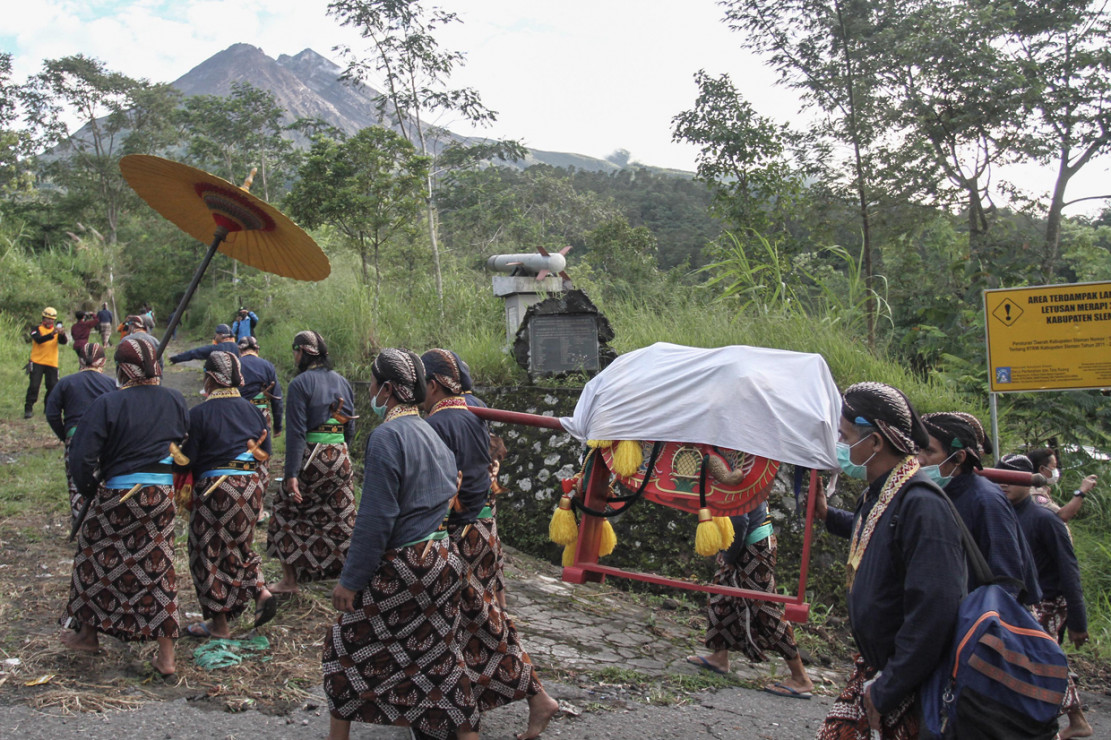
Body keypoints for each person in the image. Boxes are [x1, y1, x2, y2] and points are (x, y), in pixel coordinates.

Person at [323, 348, 479, 740]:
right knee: (441, 657)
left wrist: (351, 580)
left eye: (373, 383)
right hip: (443, 558)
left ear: (388, 389)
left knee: (345, 648)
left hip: (406, 564)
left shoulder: (386, 437)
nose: (369, 390)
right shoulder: (431, 431)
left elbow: (376, 519)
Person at [814, 382, 966, 740]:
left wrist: (888, 688)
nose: (840, 445)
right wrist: (827, 514)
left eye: (845, 436)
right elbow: (876, 533)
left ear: (875, 443)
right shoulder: (881, 494)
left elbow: (935, 610)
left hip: (906, 681)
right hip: (877, 670)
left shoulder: (923, 506)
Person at [421, 348, 559, 740]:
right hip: (483, 528)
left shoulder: (439, 422)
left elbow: (452, 486)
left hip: (461, 532)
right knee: (469, 619)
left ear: (433, 385)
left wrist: (444, 531)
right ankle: (455, 705)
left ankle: (536, 697)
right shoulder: (475, 407)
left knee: (479, 618)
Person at [60, 336, 188, 679]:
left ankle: (87, 635)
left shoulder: (107, 403)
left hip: (119, 493)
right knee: (159, 566)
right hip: (160, 495)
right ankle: (166, 657)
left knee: (93, 557)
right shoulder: (175, 400)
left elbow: (81, 457)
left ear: (122, 370)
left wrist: (90, 490)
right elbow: (182, 444)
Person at [179, 351, 277, 639]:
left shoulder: (199, 414)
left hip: (217, 489)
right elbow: (265, 452)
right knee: (239, 545)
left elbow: (188, 460)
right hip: (250, 487)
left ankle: (219, 624)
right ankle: (261, 591)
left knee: (206, 552)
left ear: (210, 378)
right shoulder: (253, 411)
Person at [998, 453, 1093, 740]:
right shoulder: (1001, 514)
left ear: (1029, 482)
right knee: (1031, 658)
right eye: (999, 477)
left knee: (1040, 656)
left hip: (1048, 601)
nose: (1004, 484)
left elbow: (1069, 571)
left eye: (1012, 478)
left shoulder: (1045, 519)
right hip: (1017, 600)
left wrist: (1078, 621)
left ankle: (1071, 720)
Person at [686, 499, 815, 699]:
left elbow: (739, 520)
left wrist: (729, 556)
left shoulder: (732, 479)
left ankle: (800, 677)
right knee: (721, 591)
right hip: (744, 536)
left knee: (765, 608)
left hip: (754, 543)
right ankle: (719, 656)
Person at [918, 411, 1041, 603]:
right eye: (916, 450)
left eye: (929, 451)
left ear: (959, 457)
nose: (918, 459)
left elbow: (1007, 578)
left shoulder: (986, 500)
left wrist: (987, 617)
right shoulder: (934, 492)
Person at [267, 331, 356, 593]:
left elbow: (296, 433)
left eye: (295, 350)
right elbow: (350, 429)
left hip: (312, 456)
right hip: (339, 455)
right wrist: (340, 454)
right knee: (341, 516)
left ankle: (289, 581)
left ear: (304, 353)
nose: (294, 356)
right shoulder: (343, 381)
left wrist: (292, 474)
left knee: (284, 511)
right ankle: (347, 577)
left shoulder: (300, 384)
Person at [45, 343, 117, 520]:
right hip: (104, 440)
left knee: (76, 482)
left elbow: (52, 413)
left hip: (75, 437)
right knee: (106, 481)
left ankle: (81, 523)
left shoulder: (66, 383)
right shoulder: (112, 385)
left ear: (80, 360)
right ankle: (104, 522)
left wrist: (65, 435)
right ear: (103, 361)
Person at [238, 336, 283, 522]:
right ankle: (259, 508)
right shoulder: (267, 366)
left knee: (239, 454)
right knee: (262, 457)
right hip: (261, 416)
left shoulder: (236, 364)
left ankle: (240, 504)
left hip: (239, 414)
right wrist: (278, 425)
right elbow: (277, 398)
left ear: (240, 350)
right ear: (257, 350)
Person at [1028, 448, 1093, 523]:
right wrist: (1082, 491)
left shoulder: (1043, 490)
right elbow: (1062, 516)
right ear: (1042, 469)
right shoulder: (1035, 493)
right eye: (1053, 466)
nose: (1056, 471)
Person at [25, 306, 68, 419]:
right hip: (37, 361)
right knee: (34, 386)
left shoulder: (56, 331)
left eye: (52, 319)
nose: (49, 321)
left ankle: (47, 408)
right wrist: (52, 334)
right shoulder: (36, 329)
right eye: (47, 319)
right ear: (43, 318)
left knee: (52, 387)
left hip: (51, 362)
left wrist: (62, 334)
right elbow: (39, 340)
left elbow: (64, 342)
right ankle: (28, 408)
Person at [168, 323, 239, 364]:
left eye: (216, 334)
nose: (215, 336)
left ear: (221, 335)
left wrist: (175, 359)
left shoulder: (215, 348)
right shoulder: (238, 348)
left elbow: (194, 353)